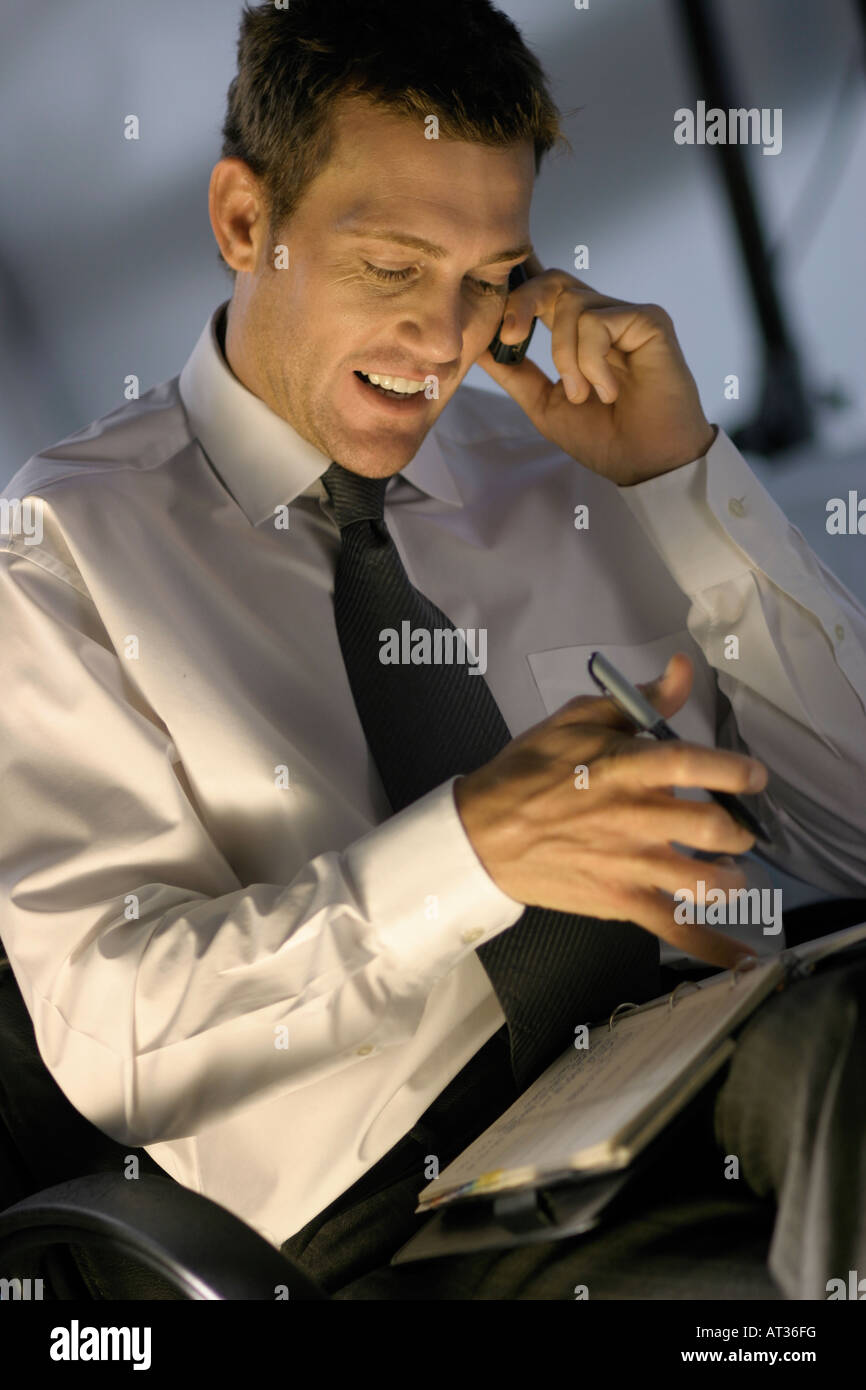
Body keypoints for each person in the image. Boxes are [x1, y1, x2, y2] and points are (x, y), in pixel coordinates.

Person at [0, 0, 864, 1301]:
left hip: (706, 1046)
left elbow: (849, 834)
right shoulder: (60, 554)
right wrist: (467, 850)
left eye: (488, 280)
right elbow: (123, 1038)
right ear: (246, 222)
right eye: (391, 269)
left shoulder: (561, 456)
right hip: (397, 1204)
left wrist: (681, 485)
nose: (442, 339)